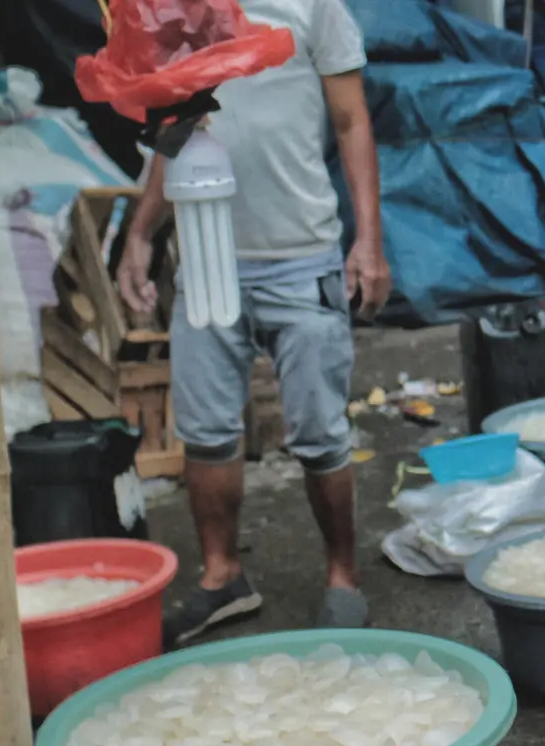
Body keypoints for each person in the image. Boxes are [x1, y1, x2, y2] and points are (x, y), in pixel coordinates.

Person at [116, 0, 391, 645]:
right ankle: (222, 577)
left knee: (320, 432)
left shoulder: (313, 7)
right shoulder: (173, 9)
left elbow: (352, 121)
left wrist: (368, 243)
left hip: (302, 256)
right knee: (207, 432)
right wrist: (140, 233)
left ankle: (343, 577)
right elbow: (175, 131)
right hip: (210, 258)